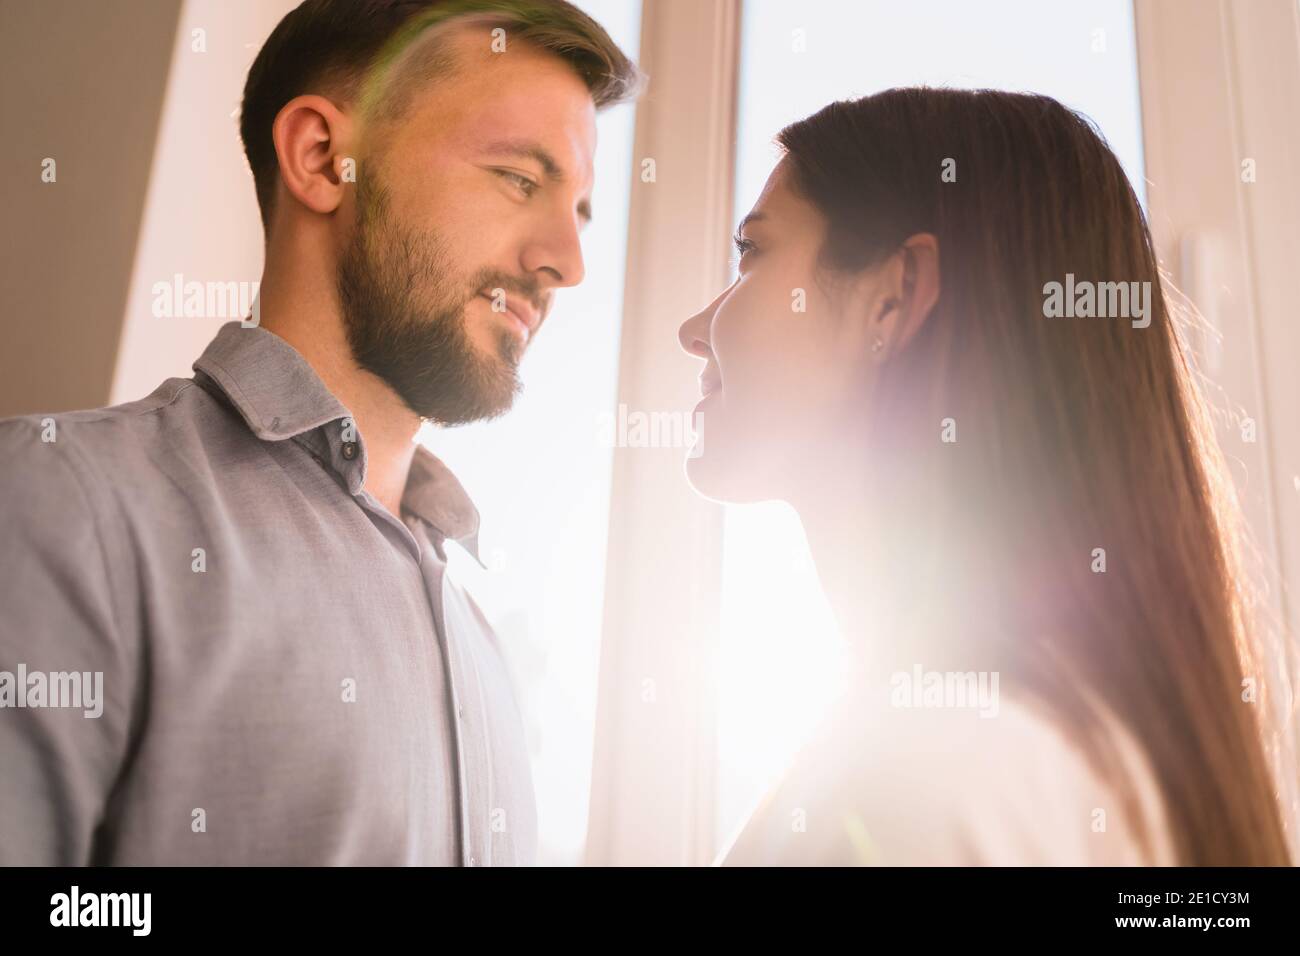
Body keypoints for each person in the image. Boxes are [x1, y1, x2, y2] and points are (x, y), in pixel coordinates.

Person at [0, 0, 639, 865]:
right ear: (320, 157)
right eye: (520, 181)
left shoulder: (482, 650)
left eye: (581, 210)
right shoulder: (59, 504)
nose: (566, 261)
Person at [677, 88, 1293, 866]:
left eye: (753, 253)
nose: (694, 331)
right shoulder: (1056, 756)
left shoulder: (930, 781)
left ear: (893, 298)